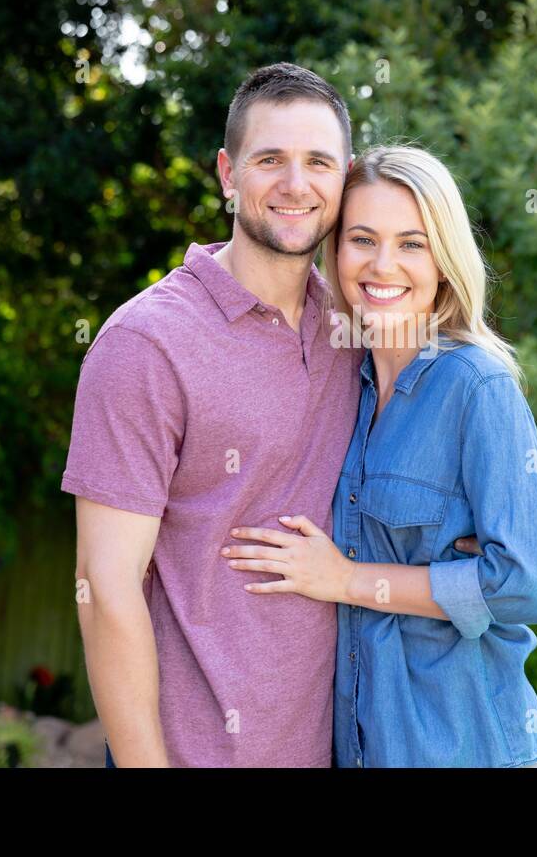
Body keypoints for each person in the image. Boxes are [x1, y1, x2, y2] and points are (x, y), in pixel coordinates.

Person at [226, 145, 537, 767]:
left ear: (444, 259)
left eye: (412, 243)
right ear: (335, 251)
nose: (384, 264)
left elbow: (531, 583)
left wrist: (348, 579)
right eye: (363, 239)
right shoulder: (340, 386)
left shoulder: (475, 386)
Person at [62, 63, 363, 767]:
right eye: (270, 160)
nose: (296, 184)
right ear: (228, 174)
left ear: (344, 179)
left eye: (318, 162)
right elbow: (105, 587)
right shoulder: (146, 344)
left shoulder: (355, 331)